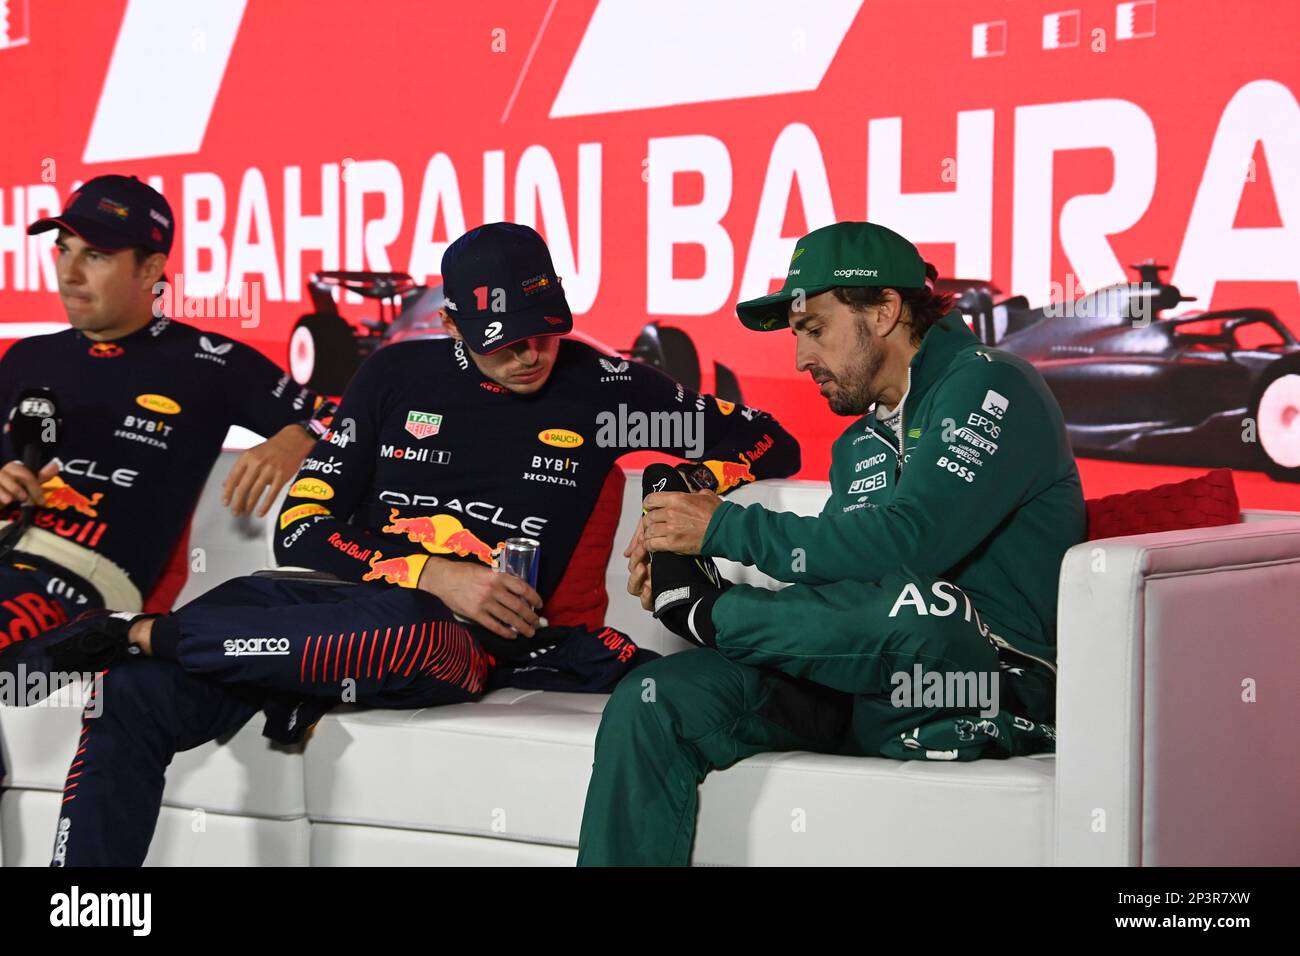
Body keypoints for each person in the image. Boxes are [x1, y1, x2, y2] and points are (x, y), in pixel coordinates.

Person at [36, 221, 801, 865]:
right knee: (126, 697)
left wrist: (682, 478)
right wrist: (432, 569)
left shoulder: (608, 389)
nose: (531, 354)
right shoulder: (395, 374)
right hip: (317, 610)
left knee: (407, 635)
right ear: (451, 327)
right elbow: (300, 529)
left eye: (544, 332)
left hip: (461, 639)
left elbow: (772, 443)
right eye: (503, 342)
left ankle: (148, 635)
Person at [578, 221, 1086, 866]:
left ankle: (707, 612)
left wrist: (724, 528)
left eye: (814, 329)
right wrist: (691, 545)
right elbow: (843, 584)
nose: (799, 358)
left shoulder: (993, 384)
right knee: (654, 698)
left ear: (885, 309)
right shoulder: (860, 444)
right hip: (866, 682)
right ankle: (706, 608)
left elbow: (910, 542)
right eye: (797, 335)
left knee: (920, 605)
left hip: (983, 676)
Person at [0, 174, 333, 651]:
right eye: (63, 250)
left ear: (150, 268)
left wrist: (300, 433)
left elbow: (350, 419)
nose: (69, 274)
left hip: (84, 584)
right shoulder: (26, 357)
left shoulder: (211, 360)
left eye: (94, 256)